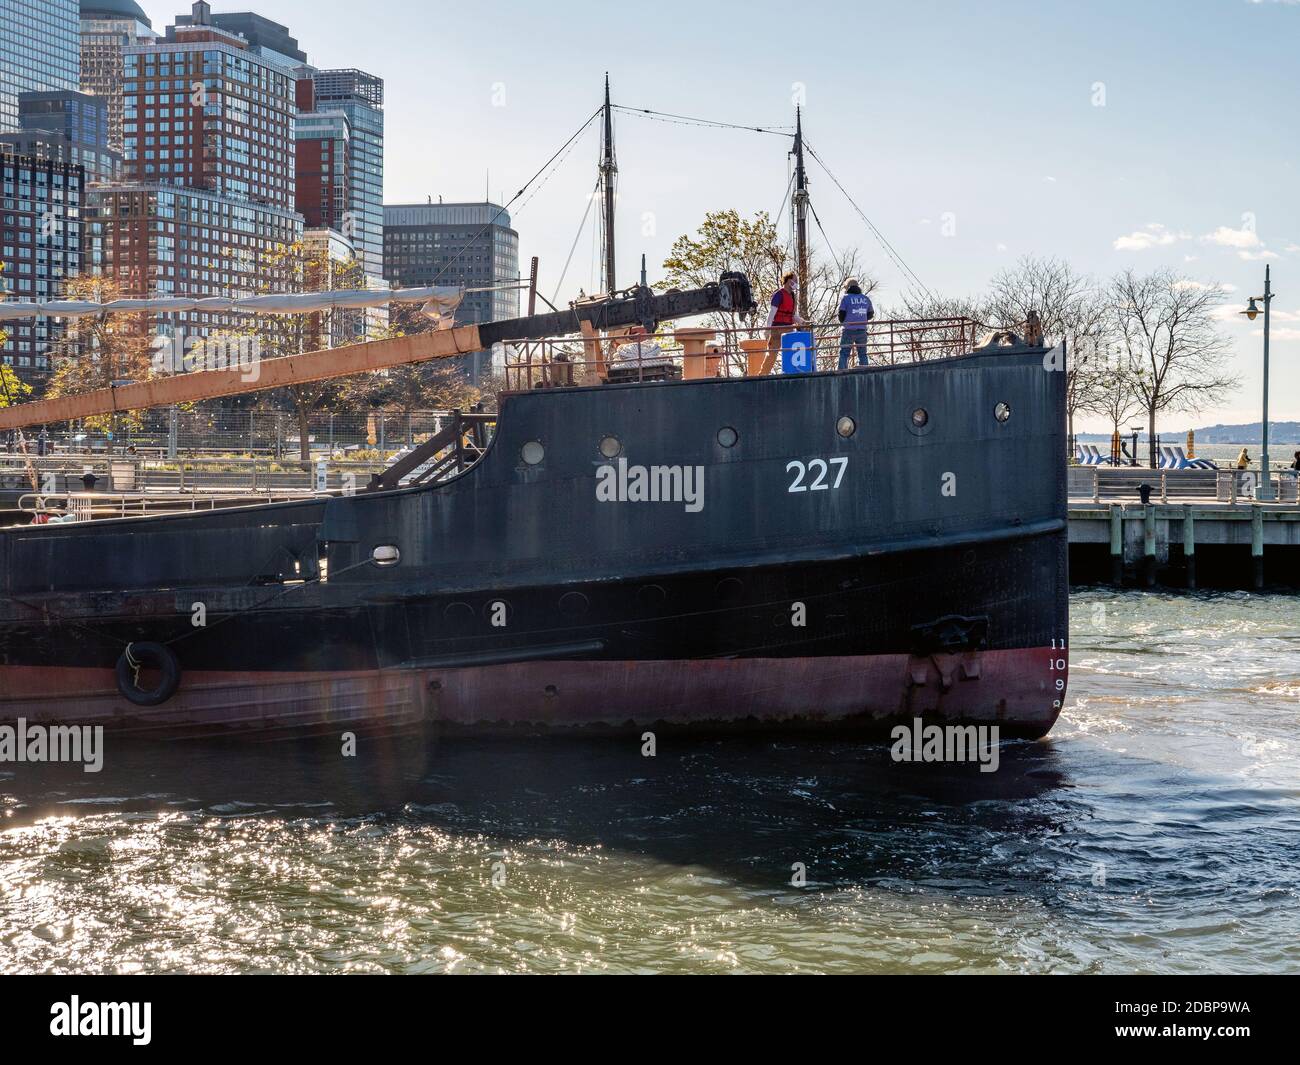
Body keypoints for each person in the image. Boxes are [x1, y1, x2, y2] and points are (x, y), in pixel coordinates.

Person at [762, 272, 802, 374]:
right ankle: (763, 374)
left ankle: (791, 373)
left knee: (792, 353)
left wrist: (803, 321)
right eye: (795, 281)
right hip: (777, 329)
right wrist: (767, 329)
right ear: (789, 281)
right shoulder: (778, 294)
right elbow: (772, 313)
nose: (796, 283)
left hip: (789, 328)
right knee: (772, 354)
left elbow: (793, 315)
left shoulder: (793, 296)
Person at [836, 278, 874, 369]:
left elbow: (841, 314)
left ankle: (842, 372)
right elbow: (871, 313)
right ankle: (865, 372)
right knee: (862, 353)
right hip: (862, 330)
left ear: (848, 287)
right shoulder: (865, 298)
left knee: (844, 353)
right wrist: (862, 320)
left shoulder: (846, 298)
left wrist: (845, 321)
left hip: (848, 330)